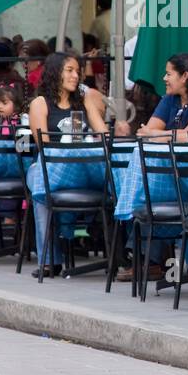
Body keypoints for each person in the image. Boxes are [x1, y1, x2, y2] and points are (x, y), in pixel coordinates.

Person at [28, 52, 109, 277]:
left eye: (77, 71)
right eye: (70, 70)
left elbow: (103, 134)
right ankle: (49, 259)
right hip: (49, 168)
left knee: (114, 182)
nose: (76, 76)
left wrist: (93, 101)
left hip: (82, 169)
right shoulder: (40, 103)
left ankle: (119, 253)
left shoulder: (82, 101)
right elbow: (43, 146)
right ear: (56, 73)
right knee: (40, 184)